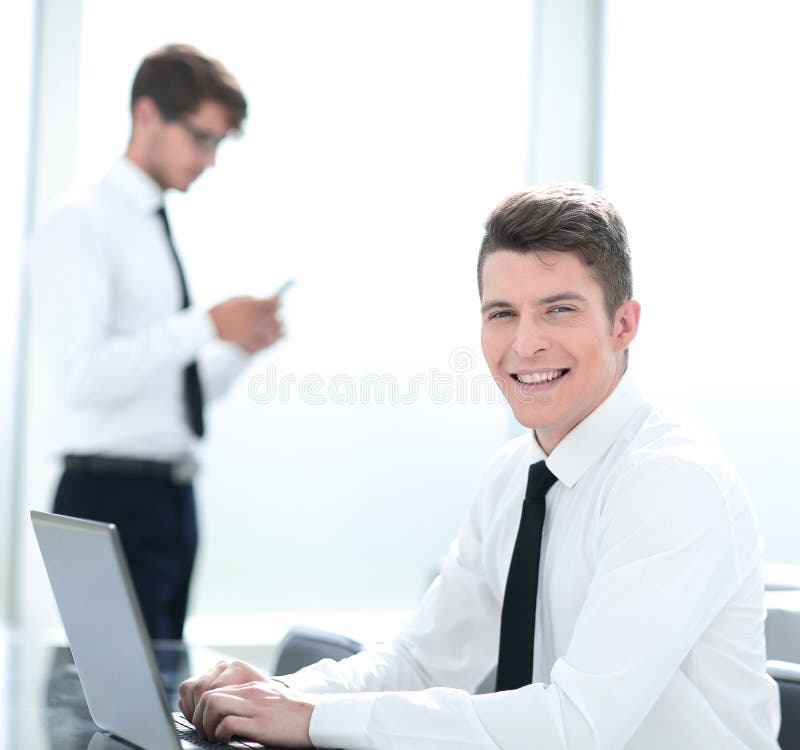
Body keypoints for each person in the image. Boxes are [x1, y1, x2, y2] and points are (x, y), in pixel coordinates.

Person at [177, 184, 780, 748]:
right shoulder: (513, 473)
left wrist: (314, 722)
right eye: (502, 314)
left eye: (559, 310)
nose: (525, 343)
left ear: (624, 324)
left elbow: (577, 725)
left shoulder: (671, 482)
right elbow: (422, 659)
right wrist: (285, 694)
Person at [29, 44, 284, 641]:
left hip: (171, 499)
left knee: (156, 690)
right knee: (103, 699)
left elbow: (176, 396)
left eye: (219, 142)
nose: (210, 159)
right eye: (202, 138)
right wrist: (204, 326)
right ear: (147, 116)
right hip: (107, 497)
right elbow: (81, 376)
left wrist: (240, 347)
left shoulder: (152, 227)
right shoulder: (82, 221)